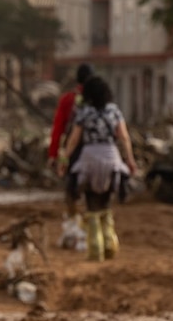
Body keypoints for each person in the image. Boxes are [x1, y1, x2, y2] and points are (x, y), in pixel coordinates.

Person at [58, 75, 137, 262]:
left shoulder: (84, 113)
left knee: (92, 203)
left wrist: (65, 159)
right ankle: (110, 245)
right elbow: (124, 138)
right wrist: (130, 161)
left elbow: (74, 139)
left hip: (89, 159)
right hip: (111, 157)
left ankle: (95, 250)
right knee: (106, 202)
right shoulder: (114, 111)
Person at [48, 63, 94, 219]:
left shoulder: (68, 99)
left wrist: (54, 154)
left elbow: (58, 129)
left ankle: (74, 219)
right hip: (96, 148)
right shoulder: (99, 100)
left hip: (73, 149)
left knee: (71, 187)